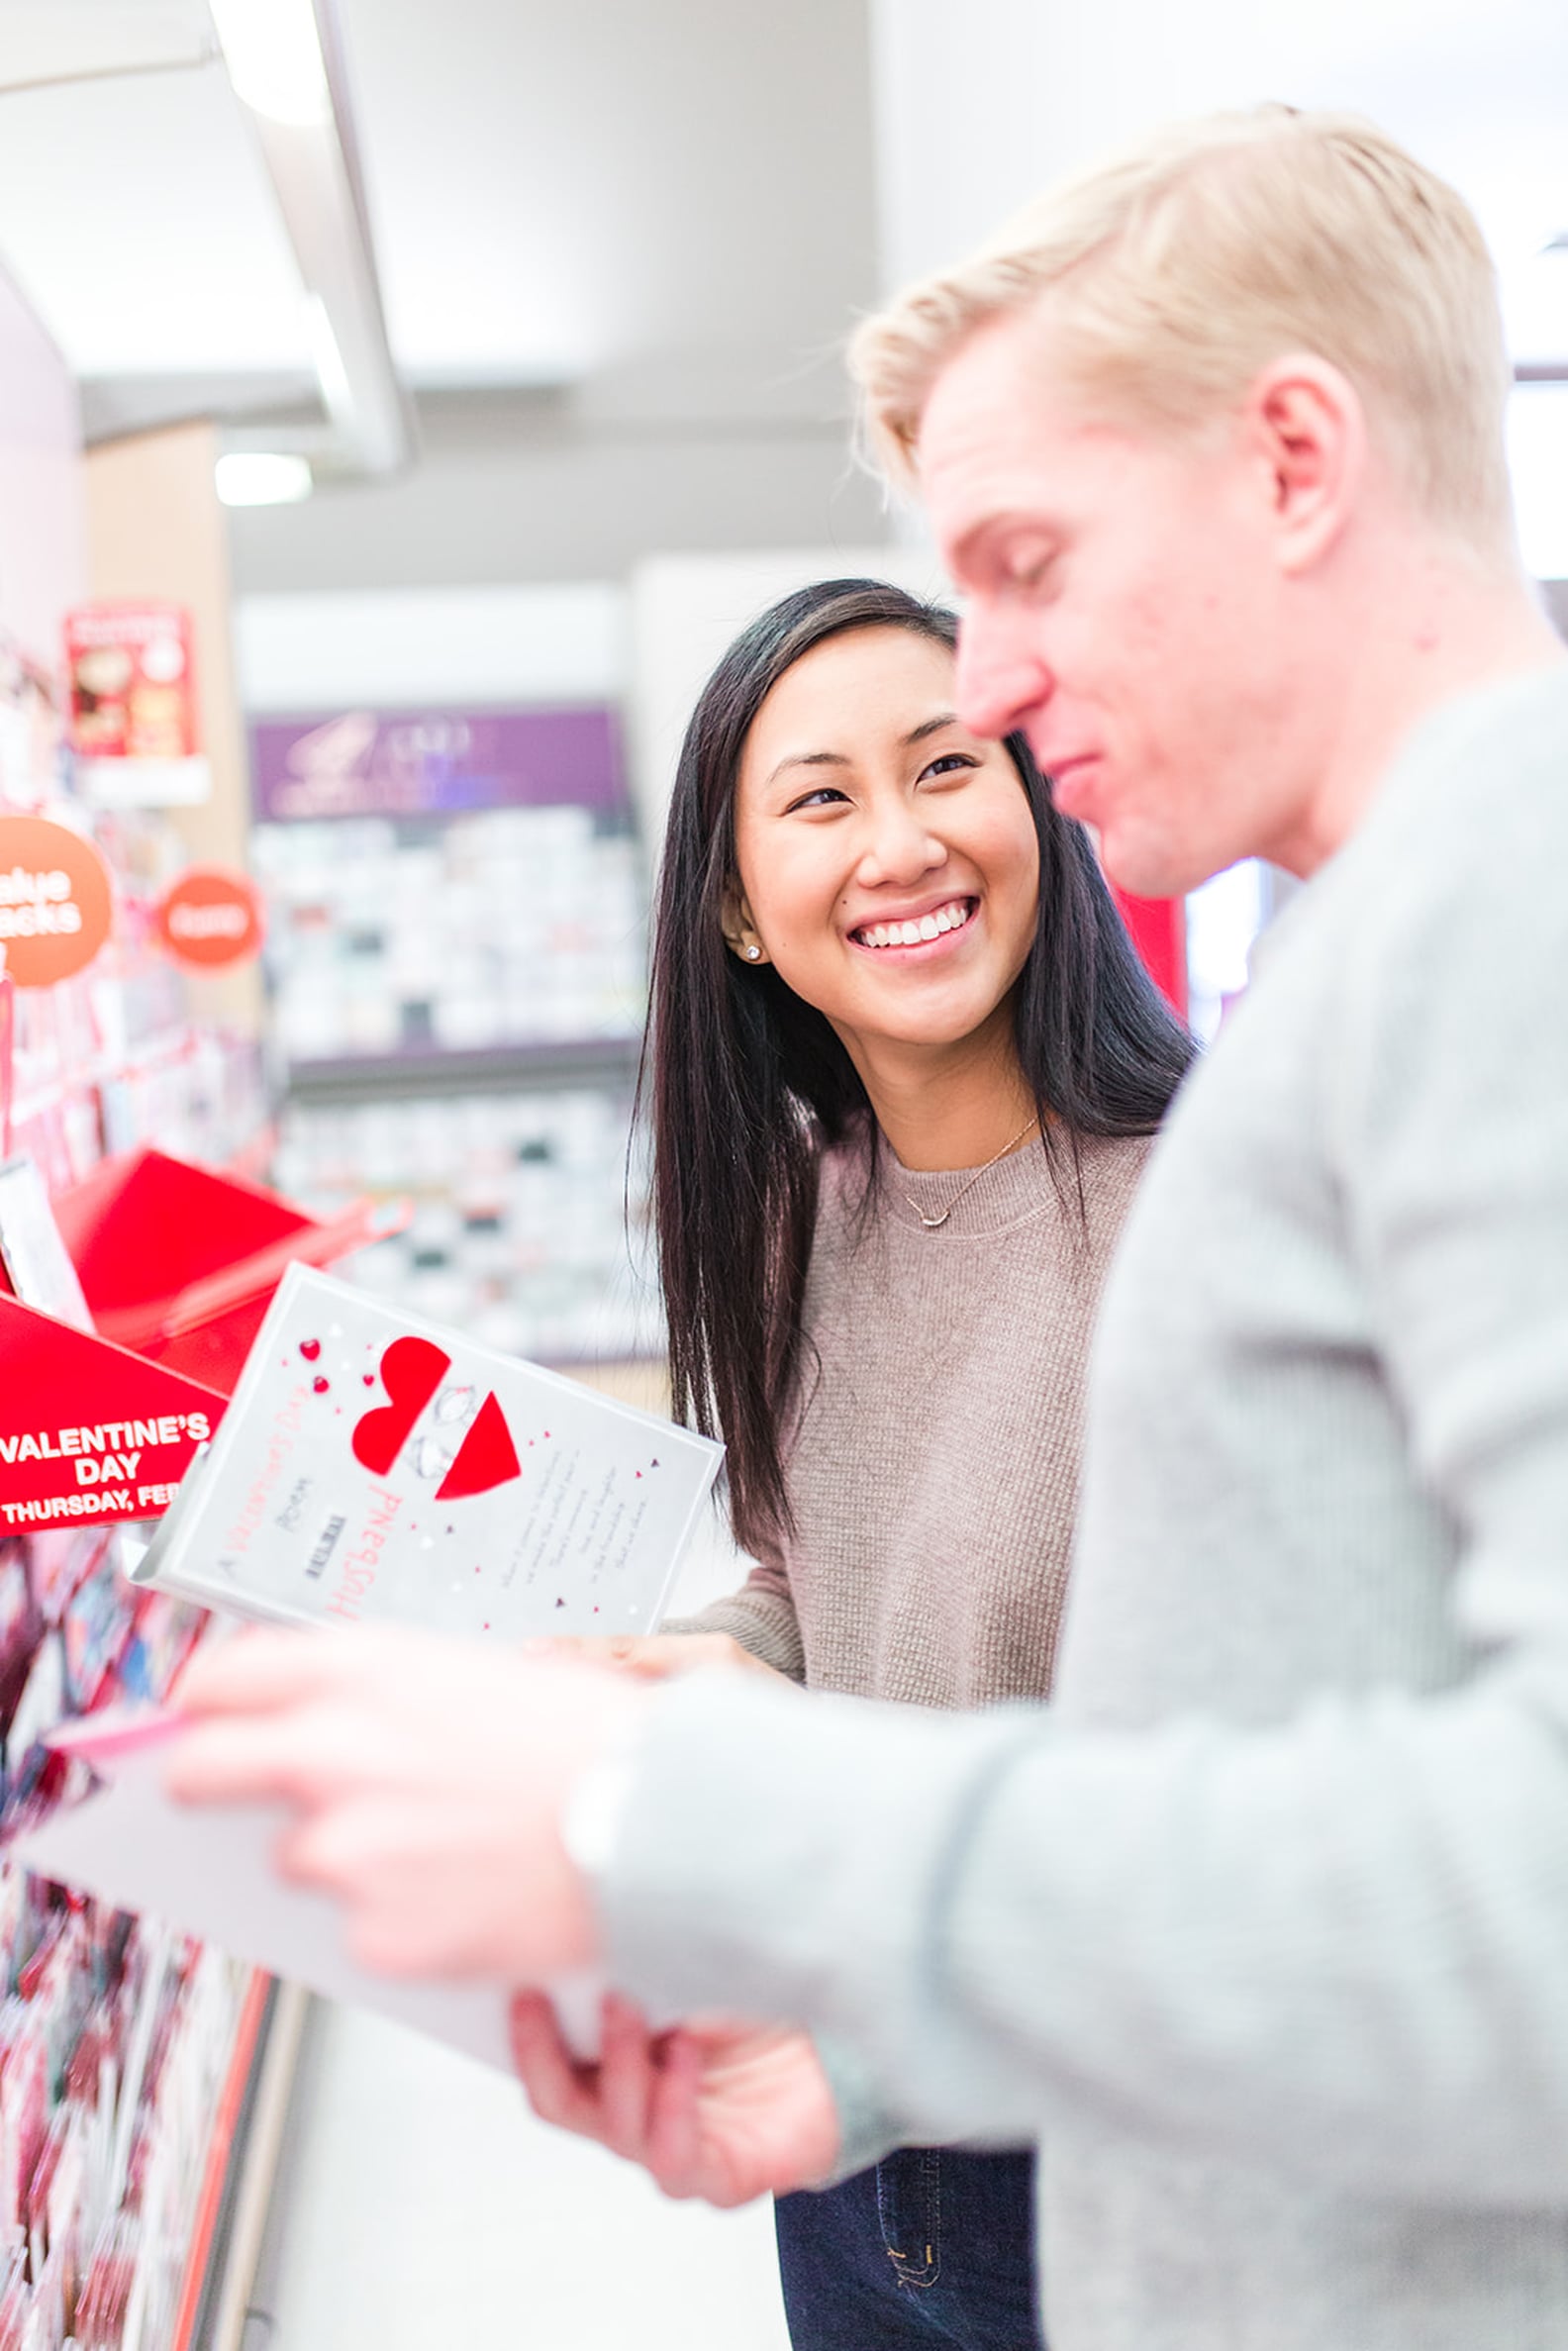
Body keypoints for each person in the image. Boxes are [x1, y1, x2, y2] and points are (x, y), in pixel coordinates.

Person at [167, 105, 1568, 2351]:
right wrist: (850, 2003)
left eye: (1028, 559)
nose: (993, 693)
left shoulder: (1500, 939)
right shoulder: (1376, 977)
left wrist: (679, 1821)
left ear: (1297, 464)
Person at [541, 575, 1190, 2349]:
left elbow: (1261, 1774)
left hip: (1149, 2141)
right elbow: (814, 1587)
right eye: (821, 800)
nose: (900, 844)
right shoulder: (788, 1223)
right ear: (742, 914)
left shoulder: (1220, 1209)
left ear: (1036, 804)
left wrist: (781, 1754)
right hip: (853, 2124)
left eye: (946, 767)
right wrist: (694, 1663)